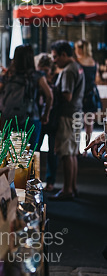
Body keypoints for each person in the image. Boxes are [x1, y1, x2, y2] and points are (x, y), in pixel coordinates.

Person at [0, 44, 53, 149]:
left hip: (10, 120)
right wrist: (46, 115)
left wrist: (4, 110)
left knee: (11, 153)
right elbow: (49, 96)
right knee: (30, 154)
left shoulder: (7, 76)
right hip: (31, 119)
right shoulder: (37, 76)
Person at [49, 40, 85, 201]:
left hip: (67, 115)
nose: (54, 60)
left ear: (64, 54)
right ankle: (73, 187)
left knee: (65, 154)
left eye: (56, 57)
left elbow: (67, 95)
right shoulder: (78, 66)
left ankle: (67, 189)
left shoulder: (68, 71)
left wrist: (52, 90)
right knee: (72, 152)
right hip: (77, 113)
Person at [36, 54, 59, 192]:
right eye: (41, 69)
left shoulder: (56, 81)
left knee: (52, 153)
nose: (43, 72)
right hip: (40, 119)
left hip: (53, 120)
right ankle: (35, 179)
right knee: (36, 151)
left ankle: (50, 181)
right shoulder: (39, 80)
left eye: (46, 70)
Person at [74, 40, 101, 150]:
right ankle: (86, 148)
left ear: (80, 49)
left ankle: (76, 149)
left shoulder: (77, 62)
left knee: (76, 124)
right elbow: (96, 80)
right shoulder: (94, 62)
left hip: (80, 95)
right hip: (91, 95)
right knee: (89, 125)